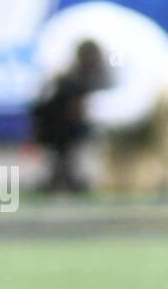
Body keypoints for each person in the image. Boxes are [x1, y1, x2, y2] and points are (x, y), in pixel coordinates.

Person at [30, 40, 110, 193]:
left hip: (68, 126)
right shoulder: (66, 79)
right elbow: (43, 108)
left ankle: (63, 177)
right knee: (62, 152)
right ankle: (61, 178)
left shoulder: (87, 77)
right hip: (54, 126)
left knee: (65, 154)